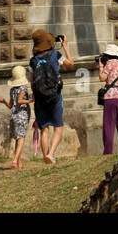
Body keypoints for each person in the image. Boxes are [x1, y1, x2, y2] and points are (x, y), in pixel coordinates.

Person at [29, 28, 73, 164]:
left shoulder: (33, 61)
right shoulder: (55, 55)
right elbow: (71, 64)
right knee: (58, 128)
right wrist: (65, 46)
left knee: (44, 130)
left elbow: (32, 82)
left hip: (40, 98)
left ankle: (46, 157)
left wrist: (36, 95)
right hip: (55, 96)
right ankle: (51, 154)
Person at [0, 65, 33, 168]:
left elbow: (10, 105)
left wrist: (3, 101)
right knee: (21, 139)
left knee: (18, 139)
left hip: (14, 116)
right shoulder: (23, 88)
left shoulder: (12, 90)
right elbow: (19, 101)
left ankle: (19, 163)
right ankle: (14, 160)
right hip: (22, 116)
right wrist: (30, 100)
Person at [98, 43, 118, 156]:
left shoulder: (110, 63)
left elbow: (102, 78)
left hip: (111, 97)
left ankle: (108, 153)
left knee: (109, 126)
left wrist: (101, 66)